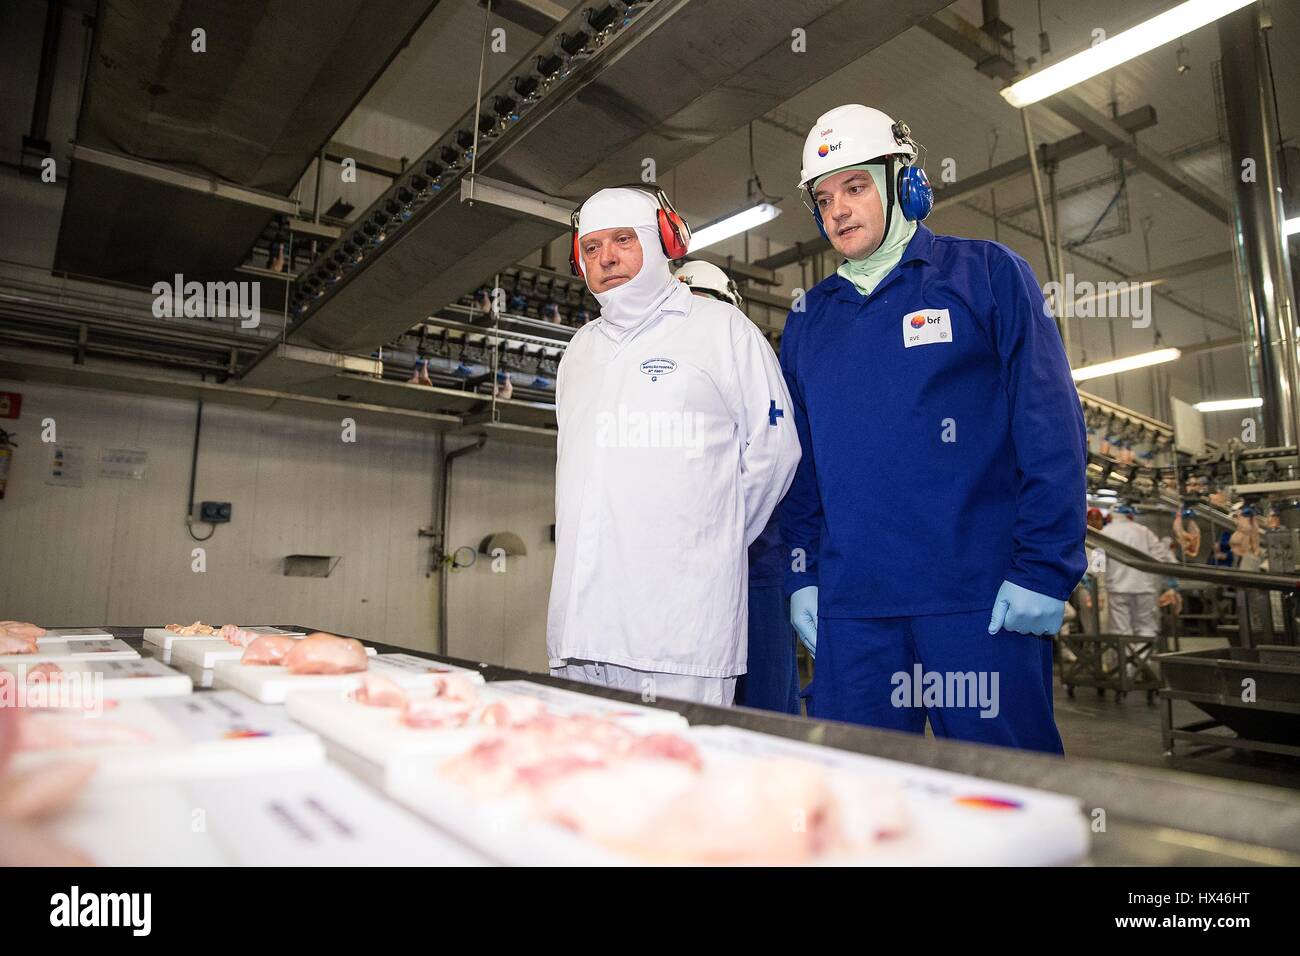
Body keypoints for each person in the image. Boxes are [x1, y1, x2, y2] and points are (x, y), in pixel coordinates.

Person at [779, 104, 1086, 753]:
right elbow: (799, 469)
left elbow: (1049, 425)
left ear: (905, 184)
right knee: (858, 808)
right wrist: (800, 574)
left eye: (856, 186)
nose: (838, 210)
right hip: (854, 614)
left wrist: (1046, 568)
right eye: (824, 197)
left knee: (1006, 800)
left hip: (977, 604)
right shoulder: (810, 320)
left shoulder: (986, 276)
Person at [547, 188, 801, 706]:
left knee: (680, 775)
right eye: (591, 248)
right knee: (587, 778)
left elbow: (776, 451)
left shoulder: (723, 331)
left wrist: (712, 537)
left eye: (623, 240)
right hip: (583, 632)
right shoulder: (579, 351)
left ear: (664, 241)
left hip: (680, 631)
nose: (606, 258)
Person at [673, 260, 799, 714]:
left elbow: (776, 455)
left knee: (764, 708)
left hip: (756, 567)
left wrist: (720, 535)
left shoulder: (750, 362)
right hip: (686, 576)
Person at [1098, 504, 1178, 676]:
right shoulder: (1144, 531)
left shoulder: (1105, 533)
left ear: (1112, 515)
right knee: (1146, 627)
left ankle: (1127, 670)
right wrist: (1165, 582)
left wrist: (1098, 586)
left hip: (1117, 588)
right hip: (1145, 587)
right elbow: (1161, 557)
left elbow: (1097, 565)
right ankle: (1144, 665)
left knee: (1122, 630)